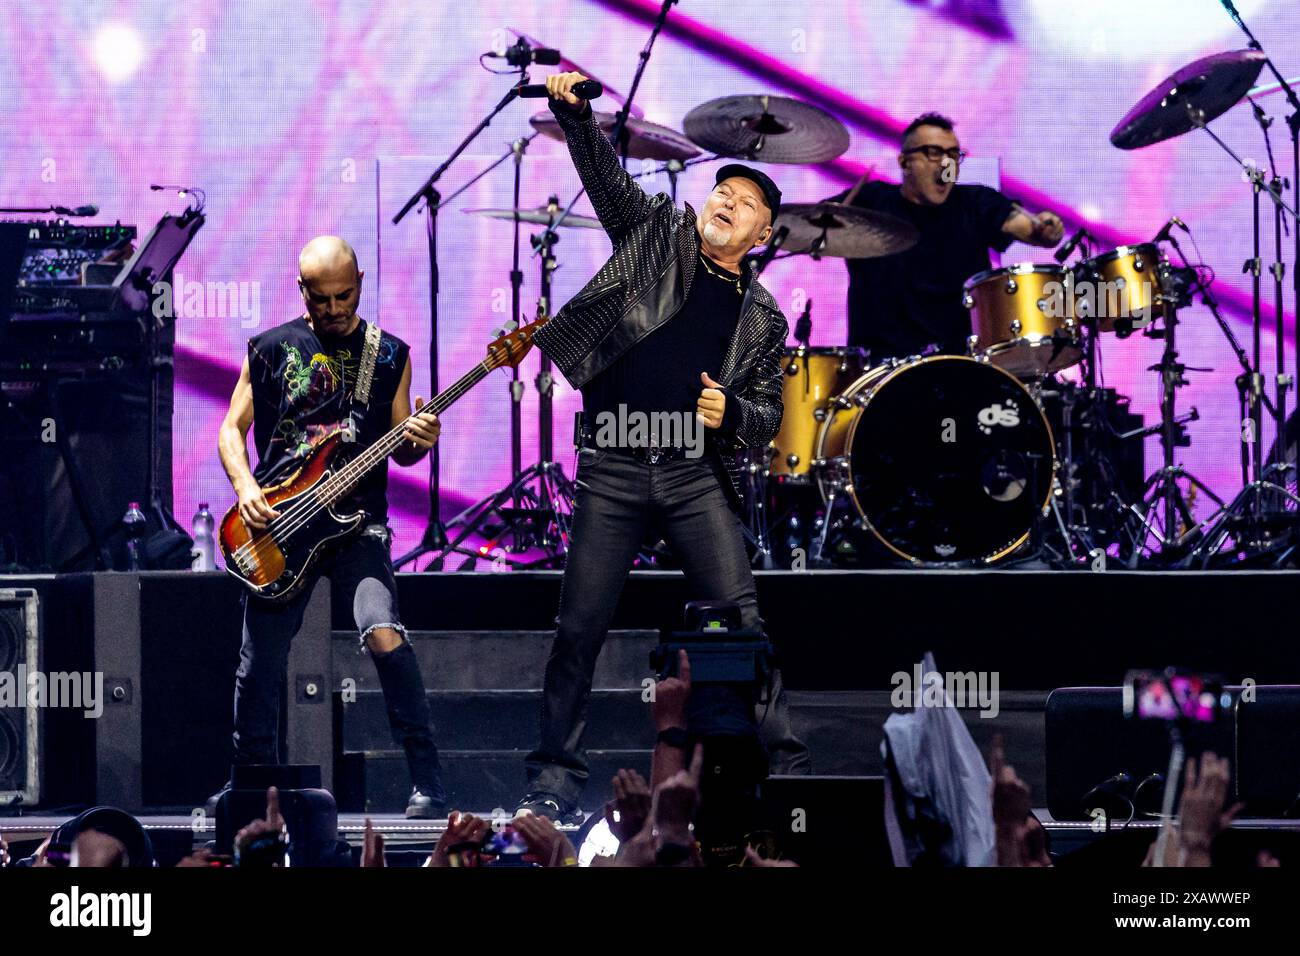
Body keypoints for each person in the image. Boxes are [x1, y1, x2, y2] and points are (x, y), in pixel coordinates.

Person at [515, 71, 810, 824]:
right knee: (578, 625)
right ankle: (552, 776)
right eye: (723, 192)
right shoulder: (655, 237)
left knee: (739, 617)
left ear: (762, 237)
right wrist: (576, 118)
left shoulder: (764, 318)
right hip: (613, 462)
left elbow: (769, 415)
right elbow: (608, 182)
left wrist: (731, 409)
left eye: (746, 203)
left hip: (688, 471)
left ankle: (777, 764)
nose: (727, 202)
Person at [212, 236, 447, 819]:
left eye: (345, 296)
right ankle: (250, 785)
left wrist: (420, 443)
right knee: (260, 659)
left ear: (361, 282)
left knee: (382, 630)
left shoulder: (388, 355)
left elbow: (403, 452)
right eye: (322, 300)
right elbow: (230, 430)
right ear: (302, 291)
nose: (335, 309)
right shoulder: (268, 348)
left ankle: (429, 781)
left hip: (358, 523)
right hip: (282, 522)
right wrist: (245, 489)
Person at [826, 112, 1065, 362]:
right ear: (904, 162)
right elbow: (810, 226)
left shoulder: (975, 202)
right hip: (880, 371)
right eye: (934, 152)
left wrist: (1045, 230)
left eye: (953, 155)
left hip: (961, 367)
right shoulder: (871, 200)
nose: (945, 163)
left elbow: (1028, 228)